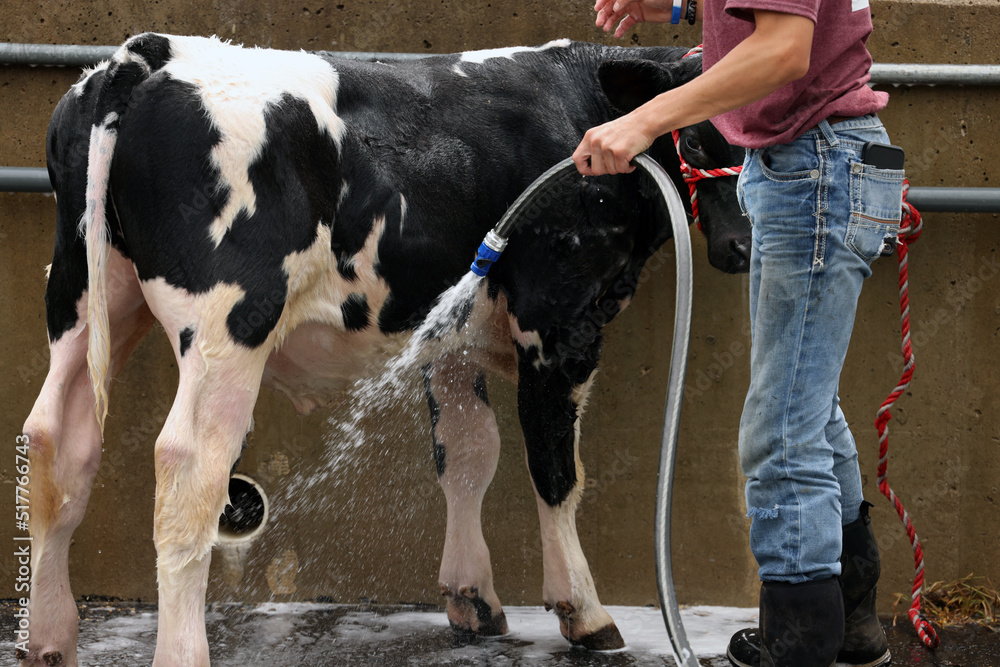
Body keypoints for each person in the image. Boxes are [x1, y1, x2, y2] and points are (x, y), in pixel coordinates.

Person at [574, 1, 903, 666]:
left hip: (814, 166)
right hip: (817, 163)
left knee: (781, 427)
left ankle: (800, 638)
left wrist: (642, 120)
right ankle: (850, 619)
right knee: (806, 409)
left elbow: (784, 49)